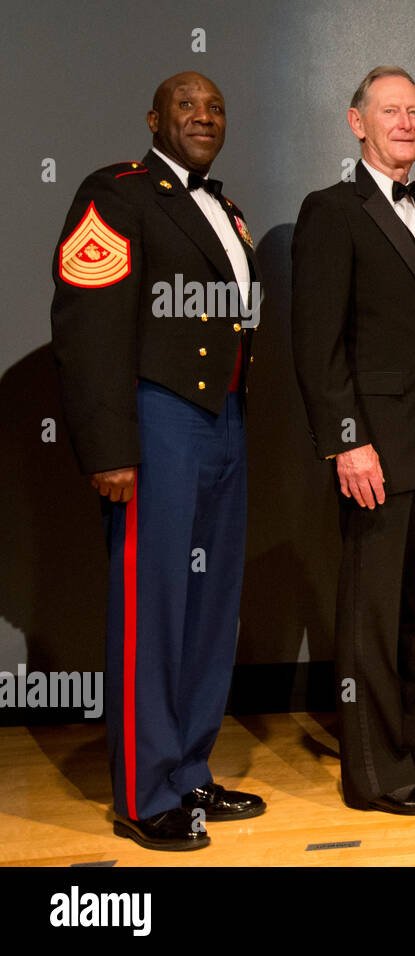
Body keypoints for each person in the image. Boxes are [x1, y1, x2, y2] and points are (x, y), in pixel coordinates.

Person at [50, 71, 265, 850]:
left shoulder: (229, 208)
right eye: (188, 106)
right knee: (153, 609)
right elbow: (89, 327)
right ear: (154, 119)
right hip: (159, 420)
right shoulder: (118, 192)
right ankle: (144, 795)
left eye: (216, 106)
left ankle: (189, 772)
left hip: (225, 419)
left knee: (211, 608)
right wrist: (109, 446)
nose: (205, 116)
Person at [291, 66, 415, 815]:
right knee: (373, 616)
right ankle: (376, 772)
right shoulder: (330, 211)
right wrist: (348, 440)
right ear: (357, 123)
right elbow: (318, 345)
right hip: (375, 448)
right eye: (390, 111)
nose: (406, 122)